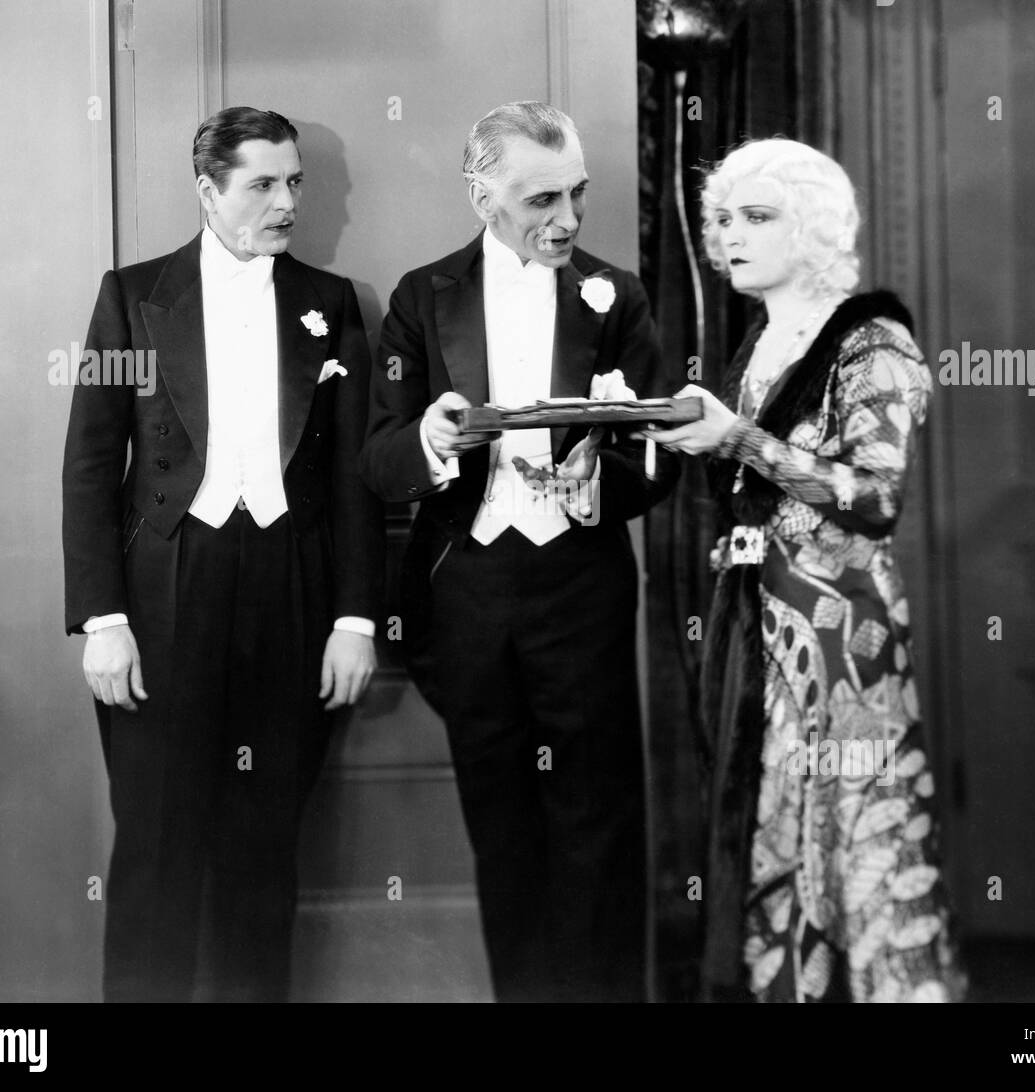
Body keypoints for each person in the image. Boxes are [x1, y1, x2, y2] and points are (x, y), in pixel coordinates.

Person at [62, 106, 384, 1001]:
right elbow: (90, 467)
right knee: (155, 847)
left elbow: (357, 478)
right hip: (167, 592)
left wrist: (356, 615)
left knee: (263, 850)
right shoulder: (132, 297)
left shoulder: (331, 304)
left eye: (295, 183)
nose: (287, 202)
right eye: (263, 185)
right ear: (208, 191)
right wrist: (104, 619)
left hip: (294, 591)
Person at [360, 101, 677, 1002]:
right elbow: (379, 458)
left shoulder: (616, 293)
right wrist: (428, 435)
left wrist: (604, 477)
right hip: (469, 595)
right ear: (481, 195)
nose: (567, 221)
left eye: (577, 194)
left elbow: (658, 455)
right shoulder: (424, 298)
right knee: (502, 832)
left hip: (581, 590)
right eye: (542, 199)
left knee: (601, 829)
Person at [645, 138, 965, 1002]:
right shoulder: (764, 335)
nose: (730, 235)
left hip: (840, 630)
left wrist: (739, 438)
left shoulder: (872, 341)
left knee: (846, 819)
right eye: (721, 219)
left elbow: (875, 496)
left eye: (757, 216)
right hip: (758, 614)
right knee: (762, 814)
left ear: (814, 225)